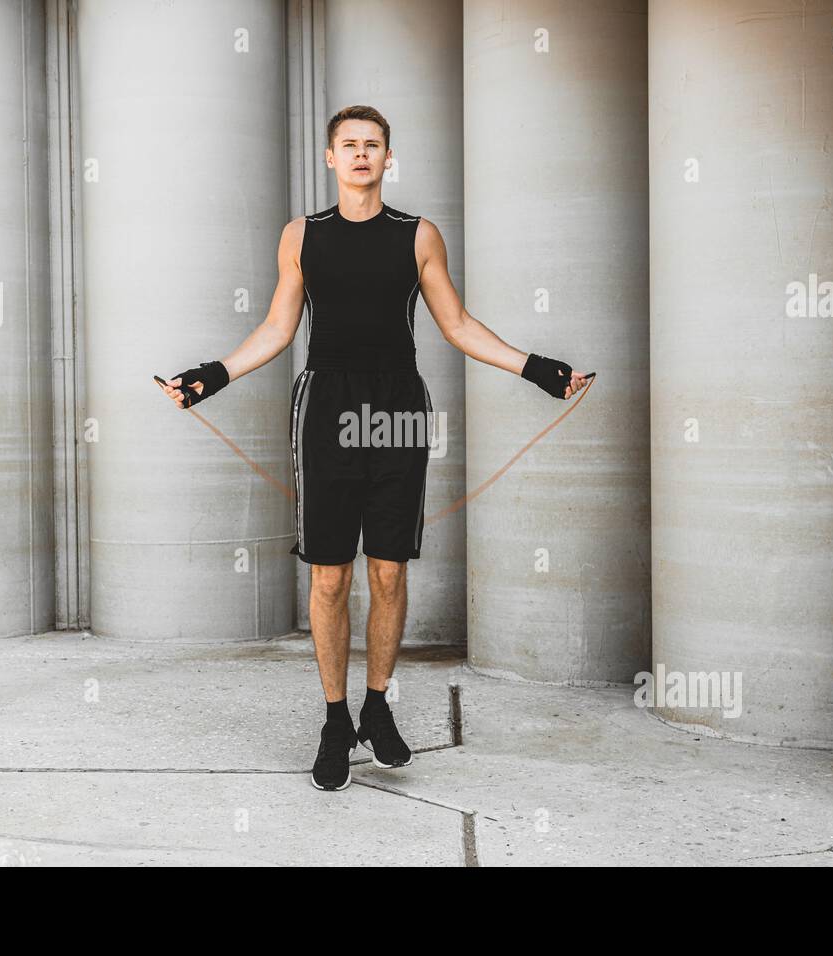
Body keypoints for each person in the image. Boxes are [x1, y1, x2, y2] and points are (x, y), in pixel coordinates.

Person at [161, 105, 591, 792]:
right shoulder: (302, 235)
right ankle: (335, 720)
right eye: (349, 145)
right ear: (331, 157)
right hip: (326, 406)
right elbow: (278, 327)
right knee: (330, 575)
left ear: (388, 158)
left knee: (389, 570)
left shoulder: (417, 235)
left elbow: (455, 324)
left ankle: (377, 705)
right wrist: (208, 377)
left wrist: (539, 369)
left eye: (373, 146)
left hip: (397, 408)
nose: (361, 155)